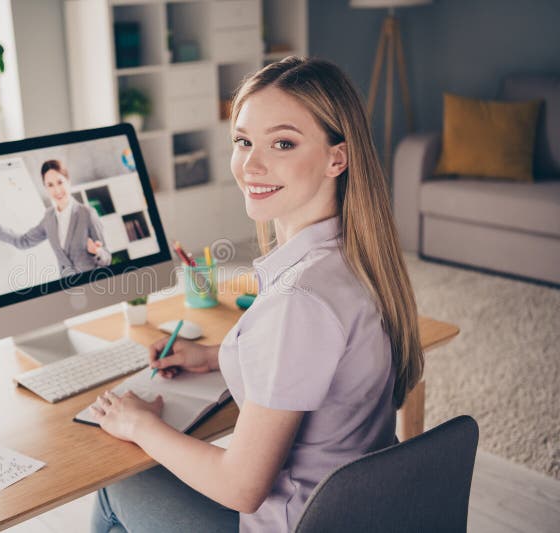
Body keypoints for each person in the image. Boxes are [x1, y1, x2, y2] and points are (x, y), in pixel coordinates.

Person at [88, 56, 424, 532]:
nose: (251, 165)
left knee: (117, 484)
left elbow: (241, 487)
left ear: (337, 158)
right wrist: (215, 355)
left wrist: (138, 423)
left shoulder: (298, 301)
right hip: (358, 517)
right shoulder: (355, 259)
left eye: (282, 143)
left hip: (293, 525)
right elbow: (314, 358)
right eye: (243, 141)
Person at [0, 159, 112, 275]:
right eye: (50, 185)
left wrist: (98, 251)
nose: (57, 190)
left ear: (68, 181)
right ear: (46, 188)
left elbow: (107, 259)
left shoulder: (87, 213)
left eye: (60, 182)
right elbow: (23, 241)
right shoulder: (49, 218)